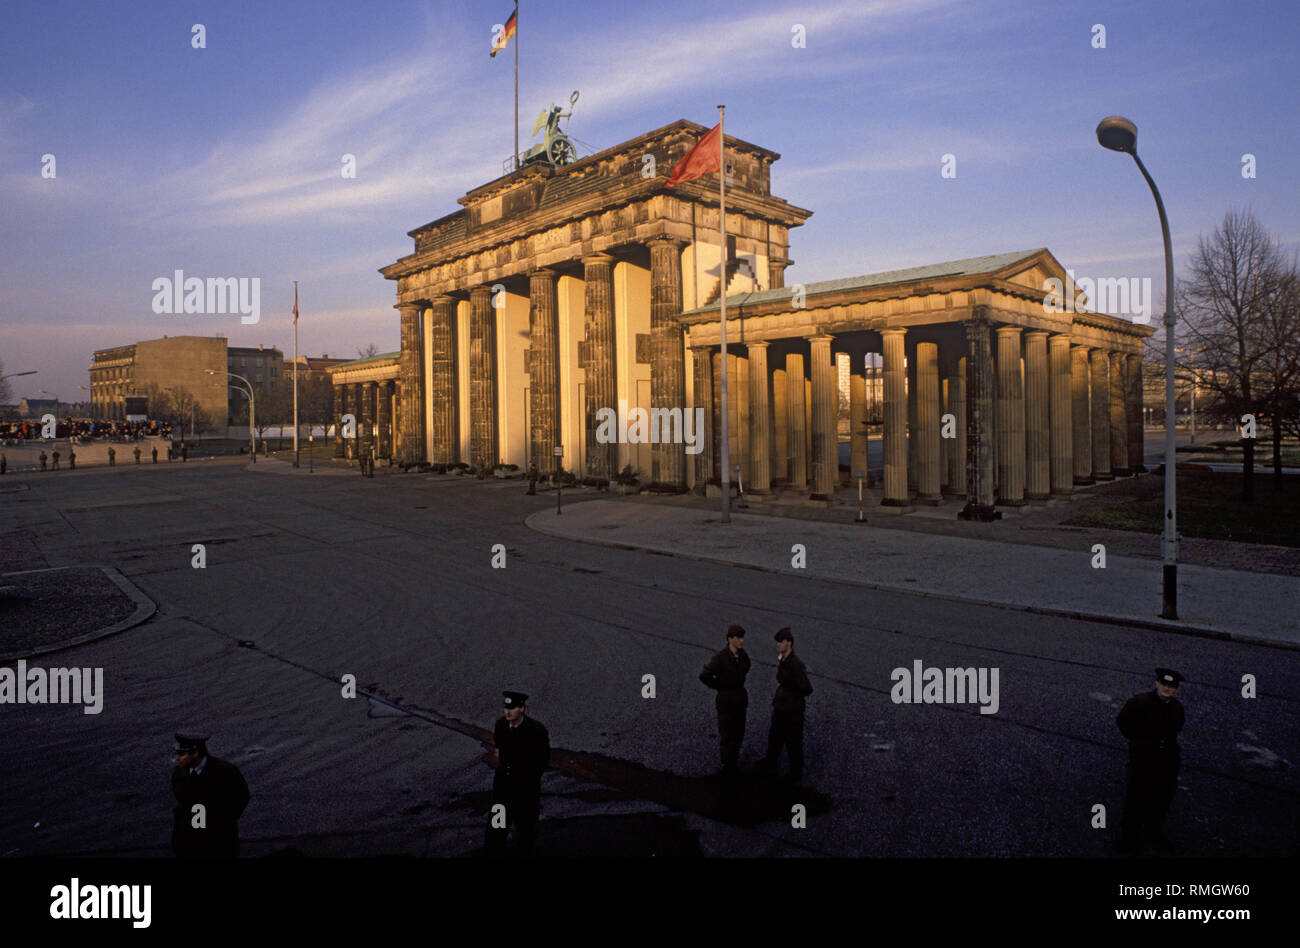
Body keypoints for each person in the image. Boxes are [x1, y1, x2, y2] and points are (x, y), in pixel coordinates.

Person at [1115, 668, 1185, 854]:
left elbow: (1177, 727)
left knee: (1161, 799)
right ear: (1156, 683)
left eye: (1171, 686)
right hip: (1143, 759)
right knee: (1136, 798)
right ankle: (1128, 838)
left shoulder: (1177, 708)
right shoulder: (1139, 702)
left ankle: (1153, 832)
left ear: (1176, 690)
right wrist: (1139, 743)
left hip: (1167, 762)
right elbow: (1123, 722)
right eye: (1163, 684)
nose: (1167, 689)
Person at [487, 691, 550, 855]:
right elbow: (501, 747)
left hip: (526, 791)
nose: (508, 712)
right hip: (502, 789)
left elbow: (542, 761)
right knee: (496, 829)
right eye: (506, 708)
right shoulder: (501, 725)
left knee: (525, 832)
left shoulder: (536, 731)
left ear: (522, 708)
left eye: (512, 708)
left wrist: (527, 781)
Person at [171, 733, 250, 858]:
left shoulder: (225, 771)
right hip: (189, 840)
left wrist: (222, 821)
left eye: (181, 754)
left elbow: (241, 797)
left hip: (218, 839)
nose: (177, 758)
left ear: (195, 753)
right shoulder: (179, 773)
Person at [757, 627, 813, 782]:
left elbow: (807, 688)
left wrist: (791, 692)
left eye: (780, 642)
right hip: (781, 707)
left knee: (793, 741)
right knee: (774, 736)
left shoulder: (796, 664)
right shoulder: (783, 659)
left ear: (789, 642)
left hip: (792, 710)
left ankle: (796, 772)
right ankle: (771, 762)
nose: (778, 645)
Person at [699, 624, 751, 778]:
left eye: (742, 637)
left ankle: (733, 761)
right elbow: (704, 675)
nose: (742, 641)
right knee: (727, 734)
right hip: (726, 700)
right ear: (730, 639)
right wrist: (720, 686)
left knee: (739, 732)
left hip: (740, 698)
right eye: (738, 638)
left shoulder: (742, 655)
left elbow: (747, 666)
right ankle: (727, 766)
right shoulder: (720, 658)